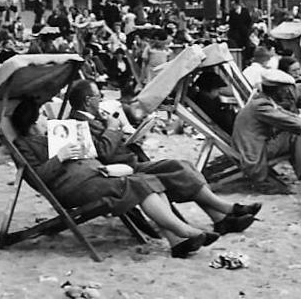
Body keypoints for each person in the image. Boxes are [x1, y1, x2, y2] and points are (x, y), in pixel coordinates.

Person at [9, 99, 220, 258]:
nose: (48, 118)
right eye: (44, 115)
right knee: (137, 184)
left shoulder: (52, 135)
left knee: (147, 179)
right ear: (34, 120)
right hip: (73, 187)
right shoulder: (23, 145)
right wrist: (61, 156)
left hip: (96, 174)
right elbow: (37, 178)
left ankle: (176, 242)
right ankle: (185, 230)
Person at [66, 80, 260, 235]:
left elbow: (107, 144)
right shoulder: (76, 124)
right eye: (98, 97)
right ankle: (226, 210)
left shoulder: (93, 117)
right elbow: (103, 153)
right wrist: (112, 128)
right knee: (178, 170)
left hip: (129, 162)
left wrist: (131, 137)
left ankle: (221, 219)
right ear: (88, 100)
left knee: (183, 166)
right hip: (121, 170)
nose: (101, 100)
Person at [231, 69, 301, 183]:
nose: (288, 93)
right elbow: (291, 122)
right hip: (254, 154)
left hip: (254, 148)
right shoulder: (260, 105)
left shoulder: (263, 101)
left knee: (298, 132)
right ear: (277, 90)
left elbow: (285, 115)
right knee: (297, 134)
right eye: (285, 90)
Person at [192, 70, 236, 135]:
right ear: (210, 89)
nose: (218, 92)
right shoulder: (205, 102)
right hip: (222, 129)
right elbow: (220, 119)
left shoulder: (205, 99)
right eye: (217, 89)